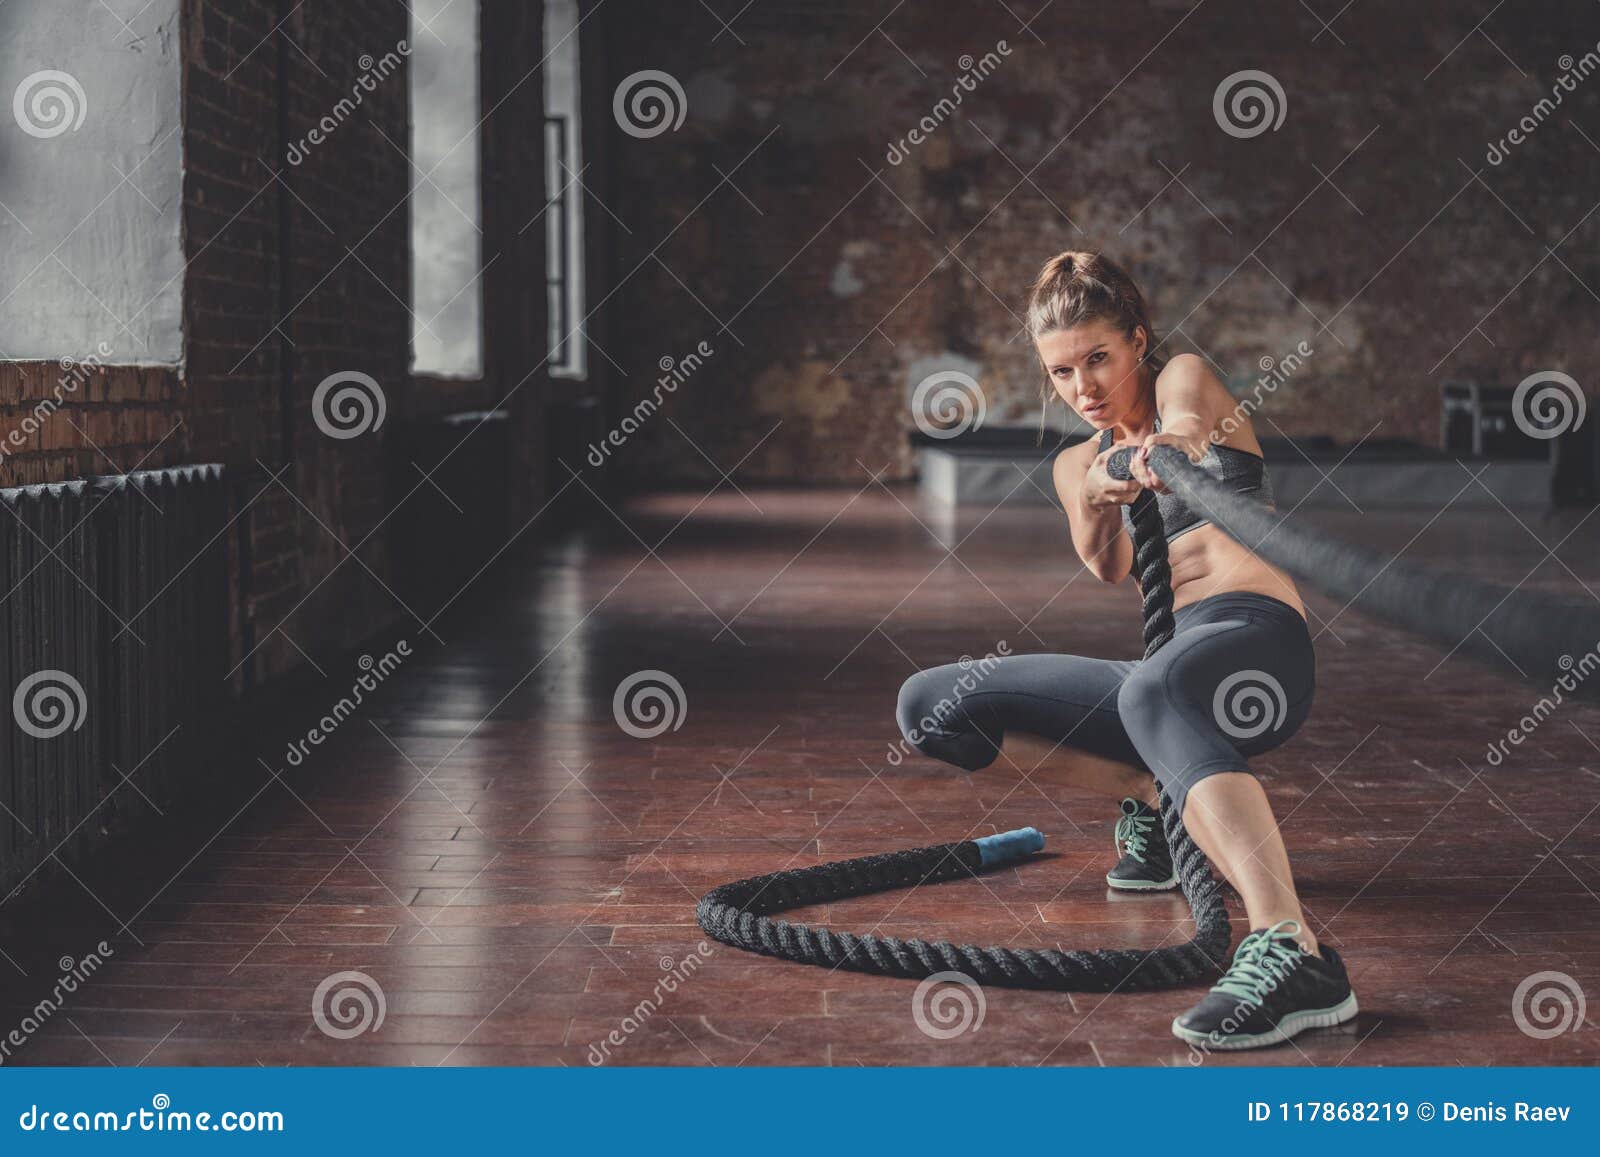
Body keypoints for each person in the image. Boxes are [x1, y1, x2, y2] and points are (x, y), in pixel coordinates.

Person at [895, 250, 1358, 1050]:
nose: (1084, 387)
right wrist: (1099, 485)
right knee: (929, 705)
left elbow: (1178, 426)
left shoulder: (1186, 375)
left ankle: (1294, 948)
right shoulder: (1073, 460)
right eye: (1063, 371)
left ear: (1138, 341)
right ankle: (1150, 789)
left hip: (1256, 645)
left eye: (1099, 358)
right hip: (1170, 680)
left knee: (1153, 692)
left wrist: (1152, 456)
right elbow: (1107, 561)